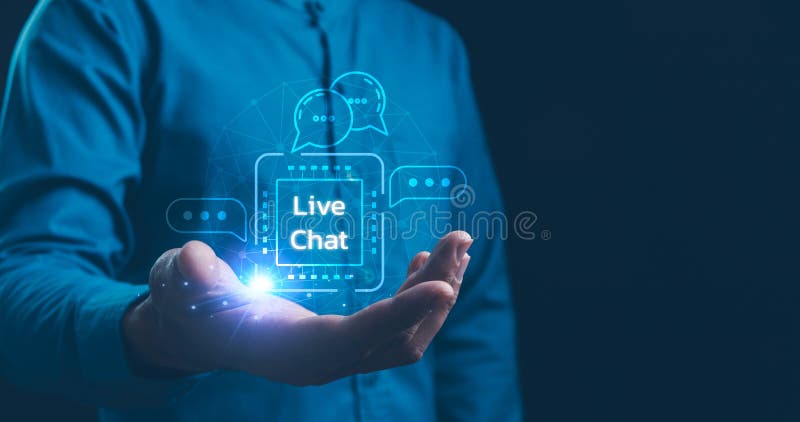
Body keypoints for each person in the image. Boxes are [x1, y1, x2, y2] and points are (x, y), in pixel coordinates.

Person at [0, 0, 521, 420]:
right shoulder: (106, 15)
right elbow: (24, 274)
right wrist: (160, 331)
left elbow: (475, 313)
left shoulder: (433, 46)